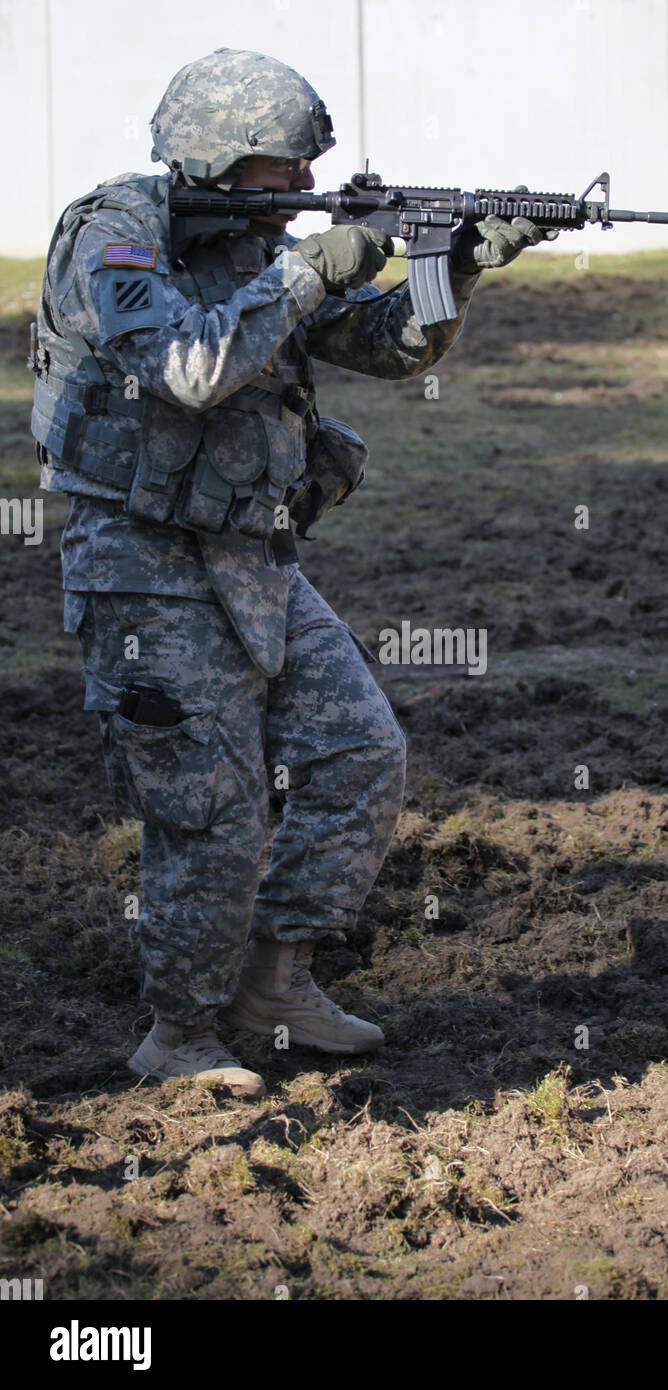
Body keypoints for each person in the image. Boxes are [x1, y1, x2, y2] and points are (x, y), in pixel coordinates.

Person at [29, 48, 557, 1099]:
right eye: (283, 174)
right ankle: (179, 1035)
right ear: (219, 155)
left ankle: (274, 981)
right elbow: (187, 369)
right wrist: (310, 264)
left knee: (359, 750)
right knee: (211, 809)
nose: (302, 195)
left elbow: (388, 348)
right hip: (140, 567)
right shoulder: (117, 232)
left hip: (249, 555)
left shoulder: (255, 243)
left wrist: (451, 266)